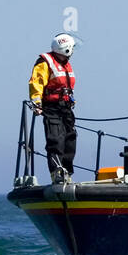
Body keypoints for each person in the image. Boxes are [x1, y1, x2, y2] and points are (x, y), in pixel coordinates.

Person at [29, 33, 78, 184]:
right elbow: (36, 83)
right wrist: (37, 104)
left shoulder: (65, 63)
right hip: (51, 108)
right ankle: (57, 174)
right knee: (55, 140)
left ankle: (67, 173)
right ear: (66, 49)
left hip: (66, 108)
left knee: (70, 139)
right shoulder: (45, 63)